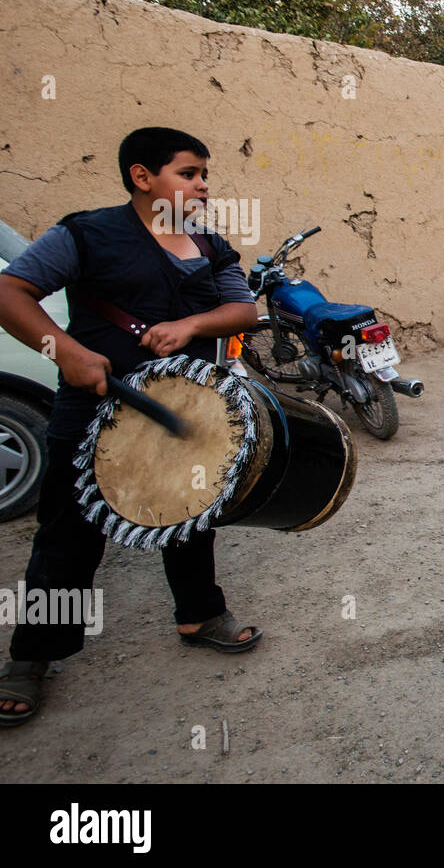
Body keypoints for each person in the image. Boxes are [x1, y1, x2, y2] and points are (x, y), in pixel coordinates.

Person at [0, 127, 263, 726]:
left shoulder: (208, 242)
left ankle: (199, 615)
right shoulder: (86, 234)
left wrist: (193, 326)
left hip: (185, 412)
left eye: (204, 175)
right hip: (96, 411)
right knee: (69, 536)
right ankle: (32, 658)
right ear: (142, 177)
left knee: (191, 515)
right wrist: (63, 350)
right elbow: (10, 291)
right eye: (188, 172)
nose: (201, 184)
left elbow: (243, 310)